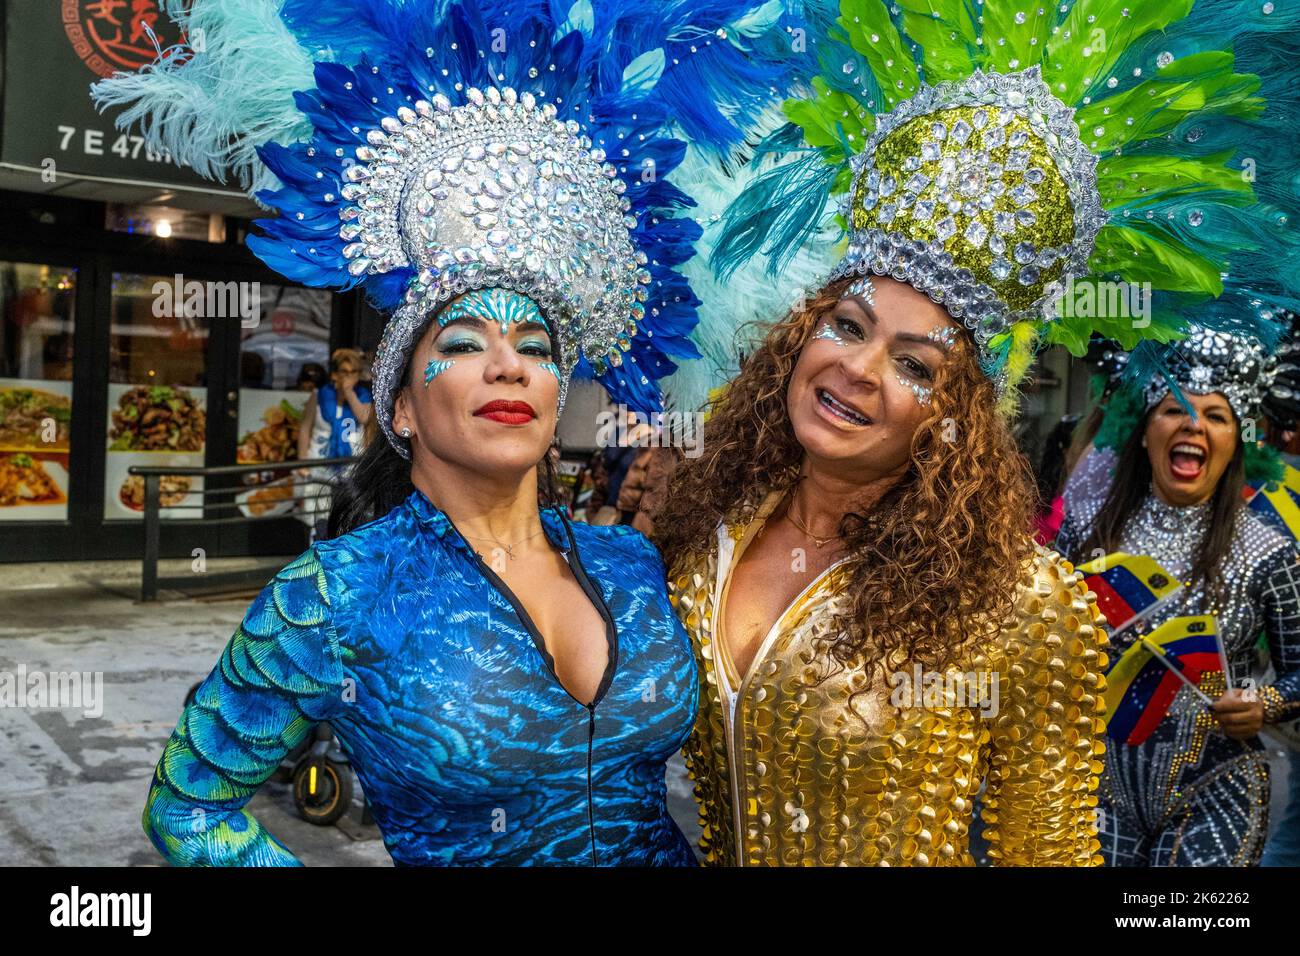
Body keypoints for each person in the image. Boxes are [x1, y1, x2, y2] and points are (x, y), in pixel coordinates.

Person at [94, 0, 789, 865]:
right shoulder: (337, 595)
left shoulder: (629, 561)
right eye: (465, 344)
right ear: (401, 408)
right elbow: (188, 806)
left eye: (536, 347)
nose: (510, 365)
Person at [649, 0, 1300, 866]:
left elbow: (1051, 851)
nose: (860, 369)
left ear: (956, 419)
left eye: (916, 366)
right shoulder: (702, 540)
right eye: (847, 325)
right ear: (797, 338)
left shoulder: (1022, 603)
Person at [1056, 328, 1300, 865]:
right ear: (1143, 430)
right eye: (1176, 409)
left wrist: (1266, 703)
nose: (1194, 423)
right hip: (1092, 786)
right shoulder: (1085, 529)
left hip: (1217, 786)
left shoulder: (1269, 551)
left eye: (1217, 416)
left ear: (1237, 441)